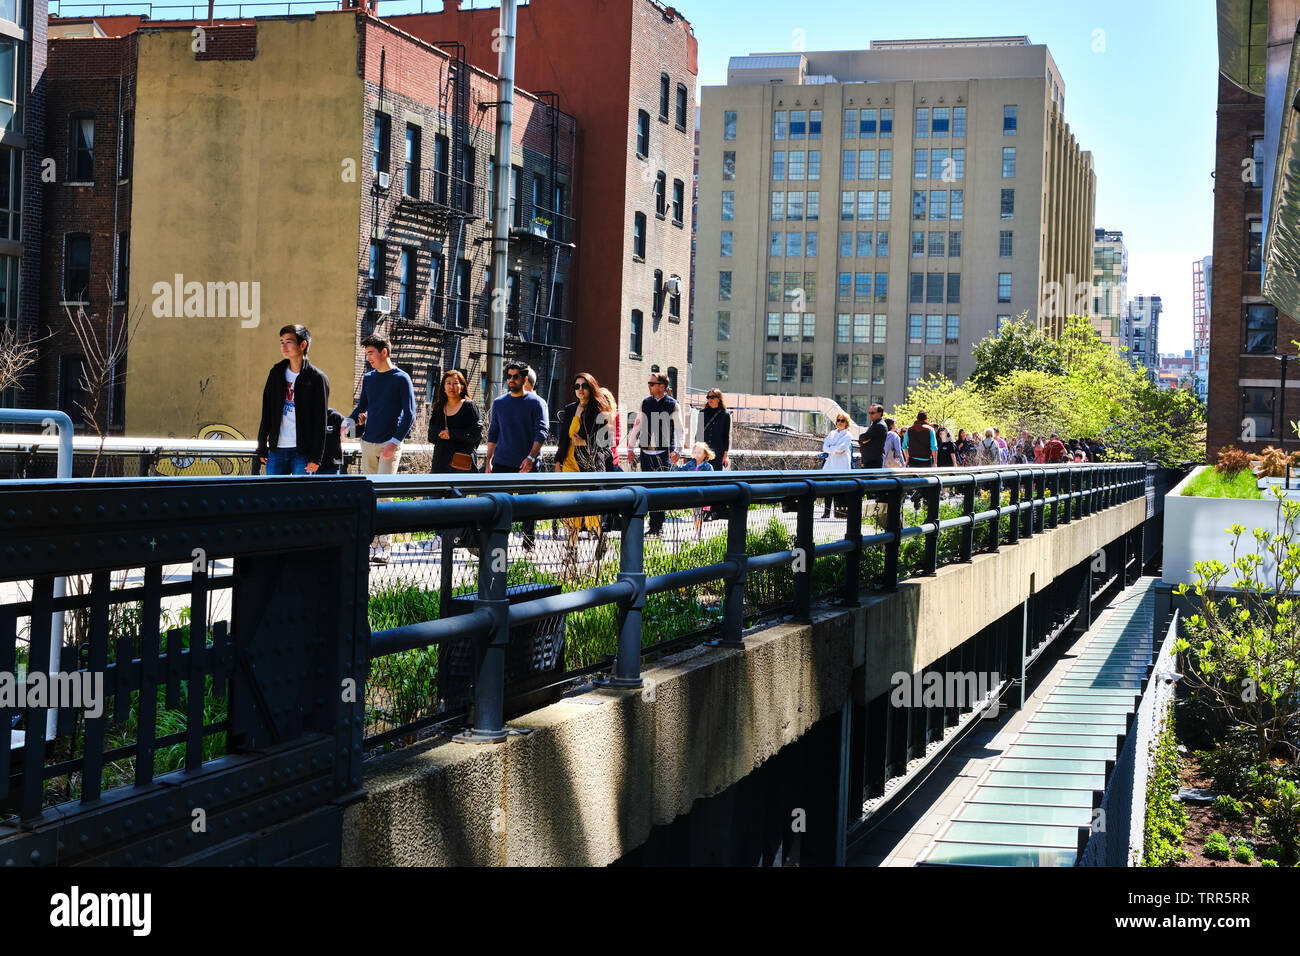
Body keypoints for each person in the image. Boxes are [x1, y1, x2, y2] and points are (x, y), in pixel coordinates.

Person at [343, 333, 416, 563]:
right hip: (368, 443)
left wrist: (394, 443)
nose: (368, 359)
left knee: (385, 497)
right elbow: (362, 407)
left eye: (371, 353)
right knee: (368, 495)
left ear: (384, 351)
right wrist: (348, 423)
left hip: (389, 445)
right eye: (366, 354)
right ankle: (370, 543)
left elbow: (410, 414)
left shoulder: (401, 378)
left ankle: (385, 548)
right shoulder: (369, 378)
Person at [485, 362, 549, 552]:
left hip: (526, 465)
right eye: (509, 376)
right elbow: (493, 432)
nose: (511, 380)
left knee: (529, 508)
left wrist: (530, 458)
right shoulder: (499, 403)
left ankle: (528, 546)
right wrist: (488, 460)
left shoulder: (537, 403)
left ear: (525, 379)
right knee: (498, 506)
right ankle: (497, 545)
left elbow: (542, 432)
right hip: (502, 463)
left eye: (516, 377)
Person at [257, 324, 330, 476]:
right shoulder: (276, 373)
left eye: (289, 341)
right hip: (276, 449)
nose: (284, 346)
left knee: (300, 497)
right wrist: (262, 446)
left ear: (303, 345)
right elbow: (267, 412)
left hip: (302, 452)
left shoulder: (317, 378)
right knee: (272, 497)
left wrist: (316, 457)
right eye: (281, 342)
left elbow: (320, 421)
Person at [556, 372, 613, 559]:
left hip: (589, 466)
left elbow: (605, 442)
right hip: (570, 464)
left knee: (591, 512)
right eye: (577, 386)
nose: (580, 390)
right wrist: (558, 461)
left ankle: (601, 538)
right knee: (571, 509)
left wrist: (585, 443)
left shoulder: (599, 411)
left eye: (584, 386)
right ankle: (571, 551)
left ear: (591, 387)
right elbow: (564, 438)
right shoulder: (571, 408)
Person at [631, 372, 683, 536]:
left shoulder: (673, 404)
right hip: (646, 453)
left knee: (660, 490)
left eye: (652, 384)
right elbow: (637, 425)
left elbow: (680, 430)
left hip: (663, 453)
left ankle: (657, 526)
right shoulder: (645, 403)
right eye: (649, 383)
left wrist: (678, 450)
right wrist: (630, 447)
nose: (649, 386)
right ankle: (650, 524)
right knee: (647, 489)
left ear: (662, 386)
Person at [428, 369, 483, 474]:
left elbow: (476, 434)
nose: (451, 387)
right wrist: (441, 434)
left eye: (455, 383)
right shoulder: (439, 407)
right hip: (441, 461)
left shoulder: (469, 406)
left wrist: (452, 434)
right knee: (440, 490)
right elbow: (430, 434)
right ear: (443, 387)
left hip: (462, 462)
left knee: (461, 490)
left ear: (462, 386)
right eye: (448, 383)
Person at [673, 441, 715, 539]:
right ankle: (697, 531)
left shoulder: (708, 467)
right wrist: (674, 464)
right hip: (691, 491)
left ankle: (698, 532)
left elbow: (711, 480)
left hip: (702, 493)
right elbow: (681, 470)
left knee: (698, 513)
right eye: (695, 452)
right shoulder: (690, 463)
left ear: (705, 454)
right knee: (695, 514)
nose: (697, 454)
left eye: (699, 452)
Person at [821, 413, 854, 517]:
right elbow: (824, 447)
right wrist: (834, 450)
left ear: (846, 423)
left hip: (841, 464)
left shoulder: (848, 435)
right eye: (838, 420)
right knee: (827, 488)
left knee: (840, 488)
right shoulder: (832, 433)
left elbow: (842, 448)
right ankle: (826, 512)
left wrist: (832, 448)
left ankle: (841, 513)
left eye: (842, 421)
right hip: (830, 464)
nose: (839, 422)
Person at [699, 389, 732, 470]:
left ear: (718, 399)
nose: (709, 399)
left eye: (712, 397)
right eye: (708, 397)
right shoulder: (702, 413)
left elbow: (726, 437)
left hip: (717, 453)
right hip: (703, 452)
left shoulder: (725, 415)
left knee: (715, 478)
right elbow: (699, 434)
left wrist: (725, 456)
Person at [858, 403, 888, 469]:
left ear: (880, 413)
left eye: (872, 413)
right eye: (869, 413)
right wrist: (862, 440)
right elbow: (862, 439)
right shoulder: (875, 424)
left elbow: (864, 437)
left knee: (871, 479)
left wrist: (862, 440)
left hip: (873, 461)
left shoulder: (879, 425)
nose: (870, 415)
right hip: (869, 461)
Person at [318, 407, 345, 475]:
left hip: (328, 462)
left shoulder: (337, 417)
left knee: (320, 485)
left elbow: (351, 432)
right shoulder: (338, 416)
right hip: (318, 462)